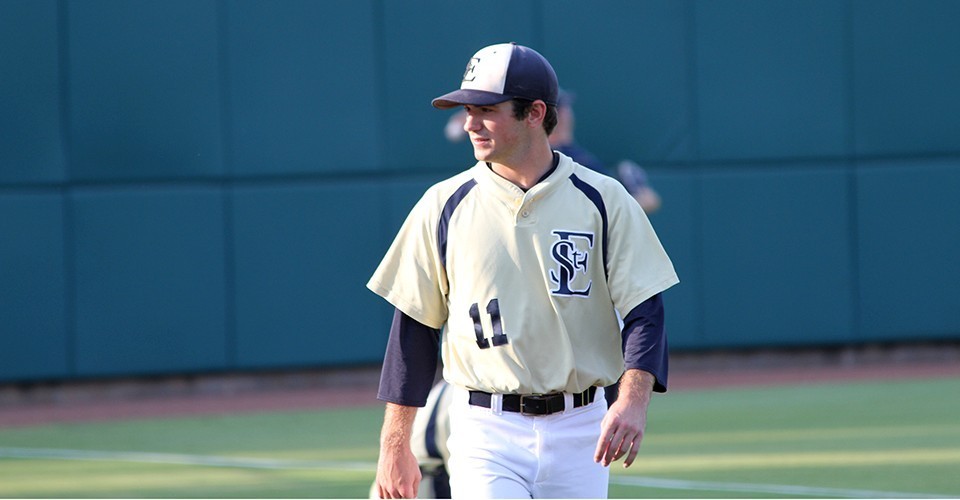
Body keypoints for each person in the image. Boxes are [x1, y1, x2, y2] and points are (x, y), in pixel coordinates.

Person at [367, 42, 679, 499]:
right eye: (467, 109)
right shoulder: (444, 205)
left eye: (486, 110)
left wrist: (633, 401)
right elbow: (413, 328)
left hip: (582, 429)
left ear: (535, 113)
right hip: (484, 427)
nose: (469, 123)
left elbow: (646, 311)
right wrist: (394, 443)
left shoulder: (604, 199)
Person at [444, 89, 662, 215]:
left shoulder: (528, 155)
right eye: (564, 108)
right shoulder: (562, 161)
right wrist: (639, 196)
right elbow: (615, 210)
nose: (569, 113)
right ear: (545, 113)